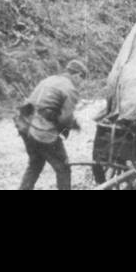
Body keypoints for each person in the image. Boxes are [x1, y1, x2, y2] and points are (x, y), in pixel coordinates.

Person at [19, 59, 87, 190]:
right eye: (81, 79)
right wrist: (74, 125)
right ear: (77, 75)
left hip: (25, 126)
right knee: (63, 168)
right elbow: (65, 119)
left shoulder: (49, 80)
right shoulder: (70, 88)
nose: (80, 84)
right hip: (42, 130)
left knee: (35, 164)